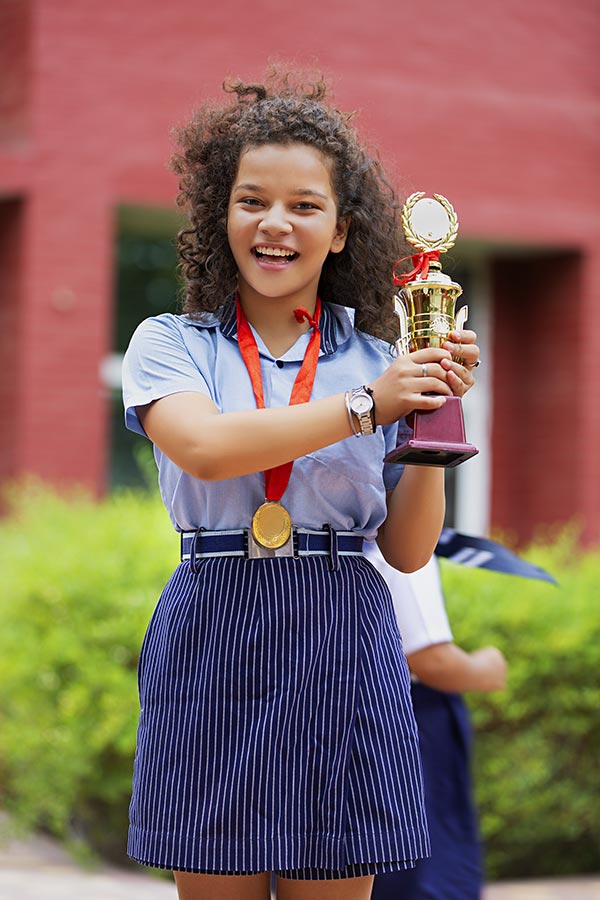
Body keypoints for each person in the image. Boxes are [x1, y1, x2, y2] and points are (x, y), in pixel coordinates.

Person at [121, 70, 480, 900]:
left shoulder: (384, 356)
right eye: (252, 201)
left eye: (305, 206)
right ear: (222, 216)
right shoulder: (171, 342)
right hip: (214, 619)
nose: (275, 224)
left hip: (344, 625)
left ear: (342, 230)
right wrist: (369, 406)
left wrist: (434, 419)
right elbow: (206, 449)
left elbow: (408, 549)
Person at [365, 543, 507, 900]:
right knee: (423, 873)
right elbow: (432, 660)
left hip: (350, 711)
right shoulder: (392, 540)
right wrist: (487, 668)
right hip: (409, 719)